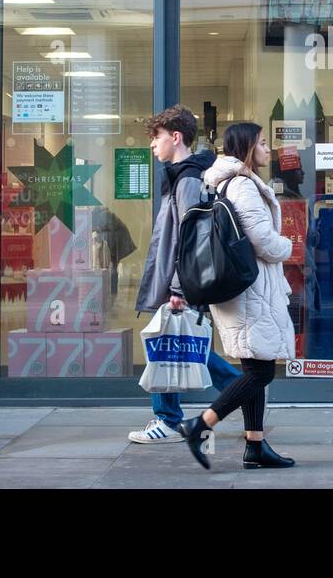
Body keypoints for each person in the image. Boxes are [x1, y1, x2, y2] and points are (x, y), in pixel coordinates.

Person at [177, 121, 297, 471]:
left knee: (254, 366)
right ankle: (200, 425)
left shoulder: (226, 181)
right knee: (261, 374)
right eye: (262, 143)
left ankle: (255, 446)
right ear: (246, 147)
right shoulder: (242, 184)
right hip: (251, 292)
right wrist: (290, 244)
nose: (267, 149)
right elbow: (264, 241)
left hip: (242, 290)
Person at [128, 105, 240, 444]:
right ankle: (244, 392)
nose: (153, 145)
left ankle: (167, 418)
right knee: (184, 344)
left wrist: (177, 286)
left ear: (175, 138)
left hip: (181, 282)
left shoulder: (189, 179)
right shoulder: (182, 174)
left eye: (157, 138)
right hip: (177, 280)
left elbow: (190, 239)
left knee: (168, 343)